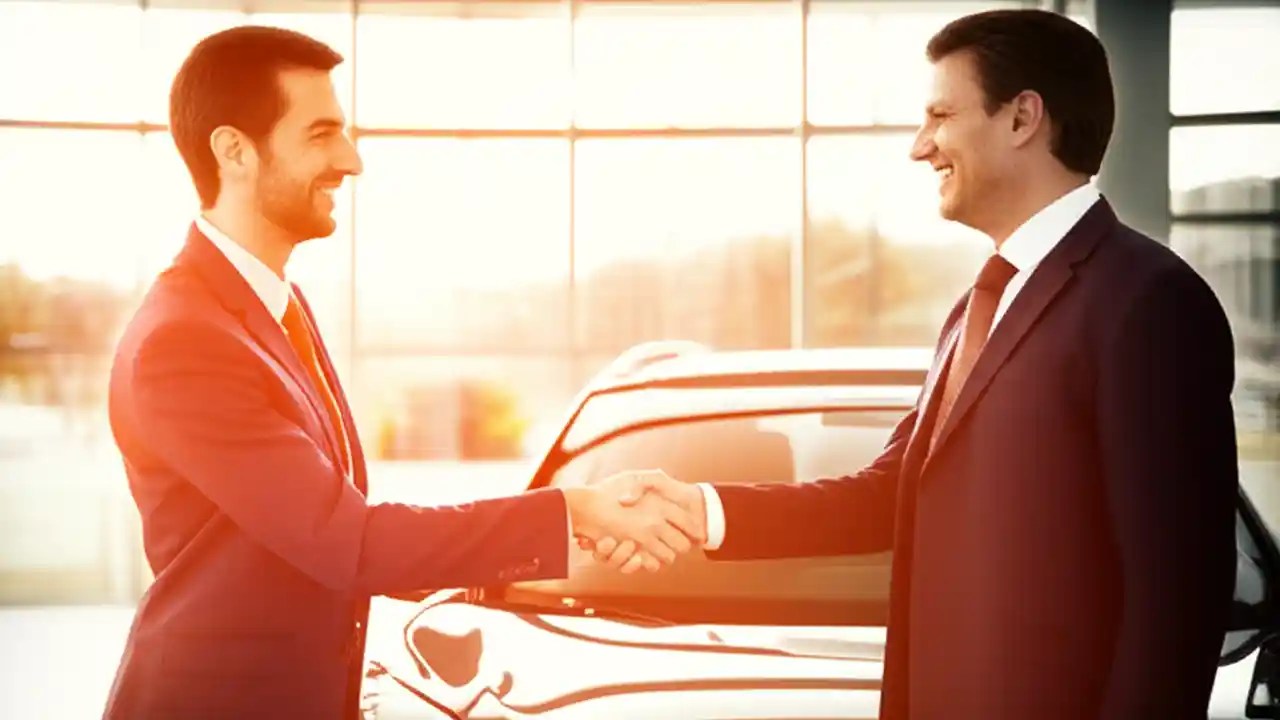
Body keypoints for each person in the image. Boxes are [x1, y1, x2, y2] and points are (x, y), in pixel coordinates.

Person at [592, 9, 1239, 719]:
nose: (919, 147)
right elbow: (887, 498)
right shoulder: (976, 307)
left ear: (1023, 117)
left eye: (940, 115)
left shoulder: (1149, 300)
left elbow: (1176, 591)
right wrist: (699, 509)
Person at [102, 26, 699, 720]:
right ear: (234, 151)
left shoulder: (276, 303)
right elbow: (348, 542)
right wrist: (576, 512)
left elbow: (318, 532)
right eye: (321, 134)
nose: (349, 161)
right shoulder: (186, 341)